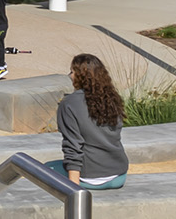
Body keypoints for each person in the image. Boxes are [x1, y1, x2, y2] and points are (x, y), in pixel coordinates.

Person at [52, 54, 129, 189]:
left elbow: (73, 146)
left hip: (90, 177)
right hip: (119, 175)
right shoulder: (112, 100)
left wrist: (74, 190)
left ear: (80, 76)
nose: (70, 76)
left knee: (45, 169)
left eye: (72, 72)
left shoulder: (69, 104)